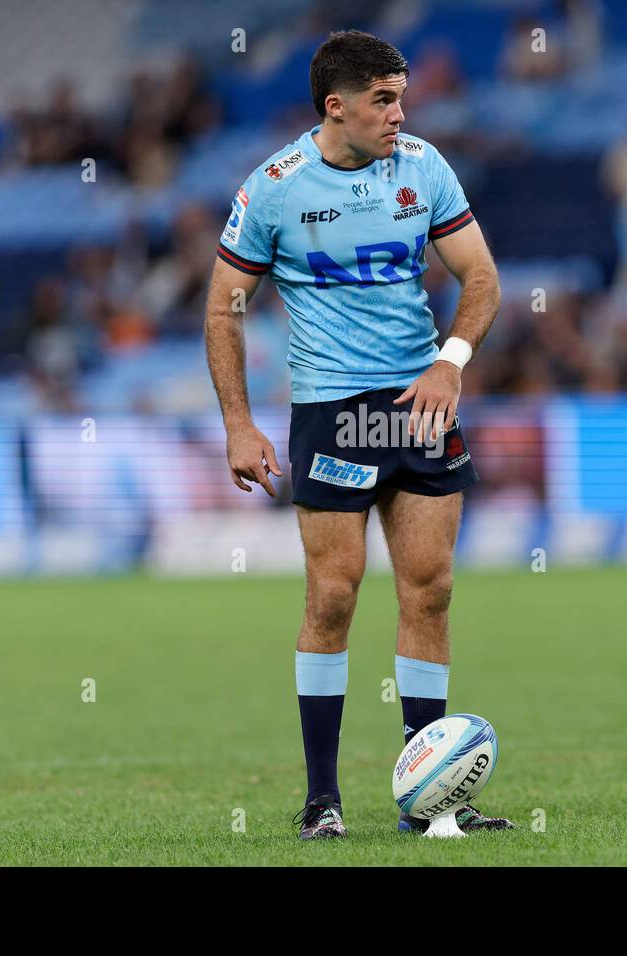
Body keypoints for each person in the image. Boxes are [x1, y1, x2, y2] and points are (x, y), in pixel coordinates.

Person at [204, 30, 509, 839]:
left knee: (430, 589)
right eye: (384, 100)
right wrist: (238, 422)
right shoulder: (274, 188)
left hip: (421, 403)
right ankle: (322, 801)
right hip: (334, 410)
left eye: (401, 97)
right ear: (336, 106)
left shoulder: (424, 168)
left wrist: (449, 362)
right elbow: (223, 308)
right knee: (333, 595)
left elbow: (481, 278)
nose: (400, 114)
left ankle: (432, 802)